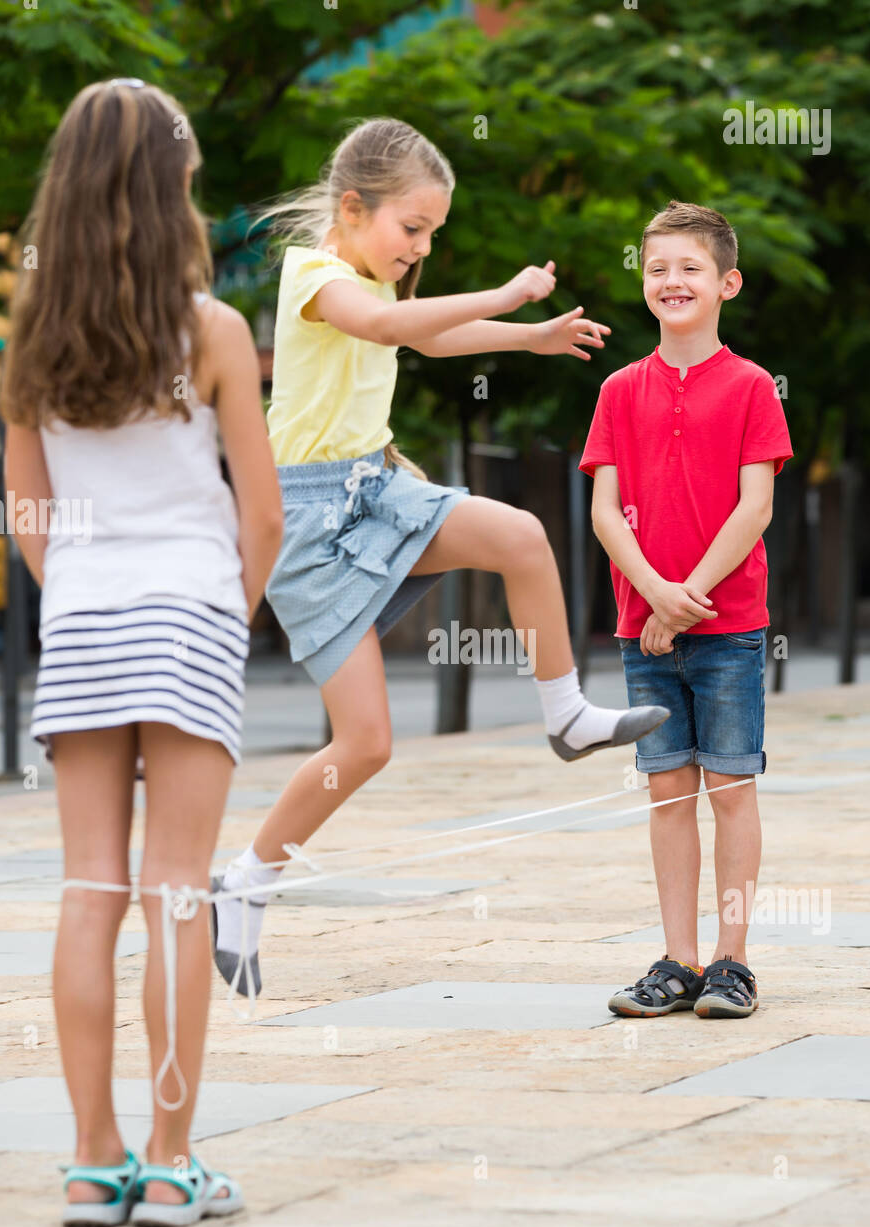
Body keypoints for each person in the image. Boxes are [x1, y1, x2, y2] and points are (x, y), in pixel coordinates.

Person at [209, 117, 669, 993]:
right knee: (368, 743)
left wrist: (526, 339)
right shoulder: (315, 275)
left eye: (431, 234)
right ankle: (245, 883)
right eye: (411, 229)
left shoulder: (373, 280)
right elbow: (386, 326)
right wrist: (502, 297)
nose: (420, 247)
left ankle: (566, 714)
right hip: (307, 526)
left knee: (520, 538)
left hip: (377, 488)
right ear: (351, 207)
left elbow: (420, 334)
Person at [1, 79, 282, 1225]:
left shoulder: (33, 333)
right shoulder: (210, 330)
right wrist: (229, 607)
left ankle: (89, 1159)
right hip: (189, 613)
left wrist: (77, 598)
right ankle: (170, 1161)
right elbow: (259, 513)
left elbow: (26, 508)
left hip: (83, 623)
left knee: (89, 891)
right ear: (171, 188)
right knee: (177, 896)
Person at [583, 201, 792, 1020]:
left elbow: (754, 509)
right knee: (667, 792)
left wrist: (687, 596)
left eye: (689, 268)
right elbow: (605, 511)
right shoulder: (616, 390)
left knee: (731, 788)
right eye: (657, 268)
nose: (671, 281)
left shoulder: (749, 387)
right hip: (644, 629)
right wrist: (654, 598)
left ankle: (731, 963)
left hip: (729, 627)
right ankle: (674, 960)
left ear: (725, 283)